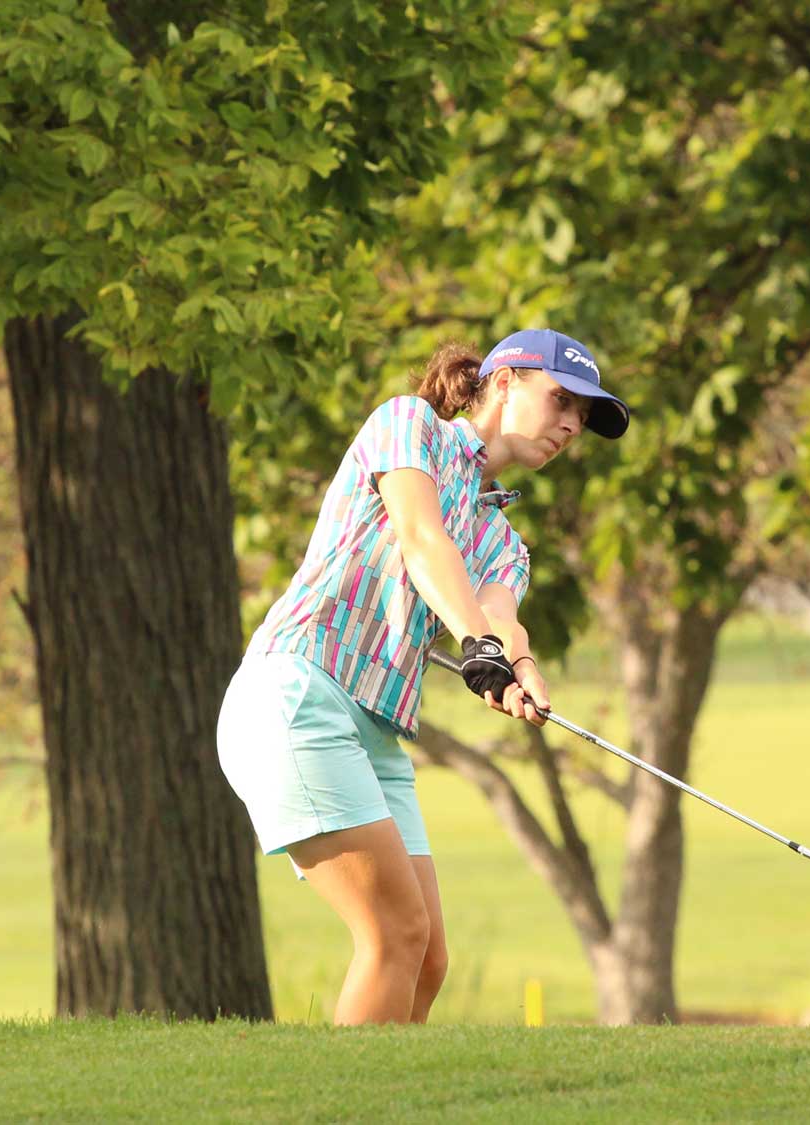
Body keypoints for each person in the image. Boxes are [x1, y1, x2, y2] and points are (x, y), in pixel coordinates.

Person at [216, 329, 629, 1025]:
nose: (571, 425)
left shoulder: (506, 542)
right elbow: (421, 537)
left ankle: (390, 1085)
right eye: (562, 400)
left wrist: (519, 667)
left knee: (428, 957)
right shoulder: (409, 426)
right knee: (393, 934)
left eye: (583, 417)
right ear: (504, 381)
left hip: (374, 730)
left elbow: (501, 619)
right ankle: (339, 1089)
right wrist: (477, 643)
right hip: (299, 692)